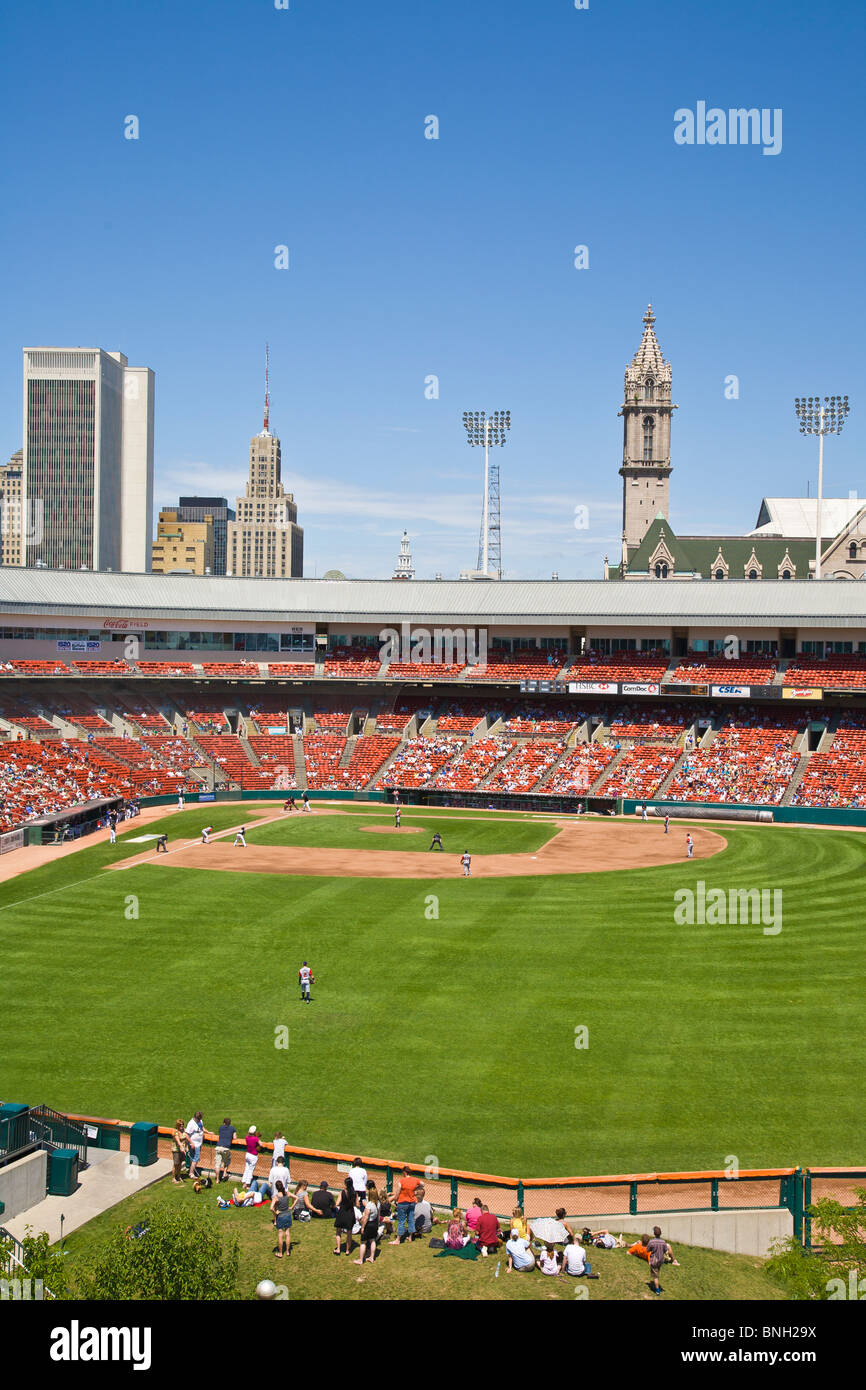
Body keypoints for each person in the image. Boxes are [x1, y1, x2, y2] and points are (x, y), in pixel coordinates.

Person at [390, 1166, 421, 1244]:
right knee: (411, 1219)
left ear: (404, 1172)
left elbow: (398, 1192)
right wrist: (415, 1189)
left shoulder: (402, 1181)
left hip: (402, 1202)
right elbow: (423, 1184)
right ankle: (410, 1237)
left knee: (401, 1221)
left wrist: (395, 1199)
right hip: (412, 1203)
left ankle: (398, 1240)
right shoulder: (415, 1180)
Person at [355, 1185, 380, 1265]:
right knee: (373, 1240)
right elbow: (378, 1214)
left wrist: (362, 1227)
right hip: (374, 1223)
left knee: (363, 1242)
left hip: (368, 1224)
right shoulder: (378, 1203)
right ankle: (372, 1257)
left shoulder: (369, 1205)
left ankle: (361, 1260)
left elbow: (365, 1217)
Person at [647, 1226, 676, 1295]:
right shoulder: (663, 1242)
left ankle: (657, 1290)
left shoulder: (651, 1242)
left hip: (654, 1261)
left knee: (655, 1277)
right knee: (657, 1271)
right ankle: (657, 1282)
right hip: (661, 1261)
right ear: (660, 1233)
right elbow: (666, 1250)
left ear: (654, 1233)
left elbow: (648, 1250)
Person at [333, 1186, 358, 1256]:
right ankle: (347, 1250)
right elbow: (357, 1204)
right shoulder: (354, 1193)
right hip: (350, 1213)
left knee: (338, 1231)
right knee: (349, 1233)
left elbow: (337, 1203)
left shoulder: (342, 1192)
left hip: (342, 1213)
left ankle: (338, 1249)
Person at [271, 1181, 293, 1258]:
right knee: (287, 1233)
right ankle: (287, 1251)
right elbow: (296, 1198)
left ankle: (280, 1253)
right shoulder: (287, 1193)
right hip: (288, 1215)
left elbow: (271, 1208)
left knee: (280, 1234)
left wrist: (275, 1212)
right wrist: (292, 1207)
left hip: (280, 1216)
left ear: (276, 1188)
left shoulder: (276, 1197)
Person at [215, 1117, 235, 1183]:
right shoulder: (232, 1128)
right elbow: (235, 1137)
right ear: (230, 1123)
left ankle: (217, 1179)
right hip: (226, 1148)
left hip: (218, 1147)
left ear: (224, 1123)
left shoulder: (221, 1127)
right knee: (227, 1161)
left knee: (217, 1164)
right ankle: (224, 1173)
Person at [185, 1111, 205, 1180]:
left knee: (193, 1158)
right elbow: (186, 1134)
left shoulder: (200, 1121)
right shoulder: (191, 1124)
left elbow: (202, 1128)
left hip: (199, 1143)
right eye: (198, 1119)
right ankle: (191, 1173)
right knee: (195, 1159)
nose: (199, 1120)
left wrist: (208, 1132)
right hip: (194, 1144)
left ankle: (191, 1171)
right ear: (195, 1118)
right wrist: (191, 1143)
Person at [171, 1118, 190, 1184]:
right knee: (176, 1164)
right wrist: (181, 1147)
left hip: (182, 1150)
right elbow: (178, 1141)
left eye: (182, 1124)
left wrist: (187, 1147)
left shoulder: (184, 1131)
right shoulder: (175, 1132)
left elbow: (187, 1139)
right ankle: (173, 1178)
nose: (182, 1126)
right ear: (177, 1125)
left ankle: (178, 1176)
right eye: (180, 1125)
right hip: (176, 1150)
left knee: (180, 1164)